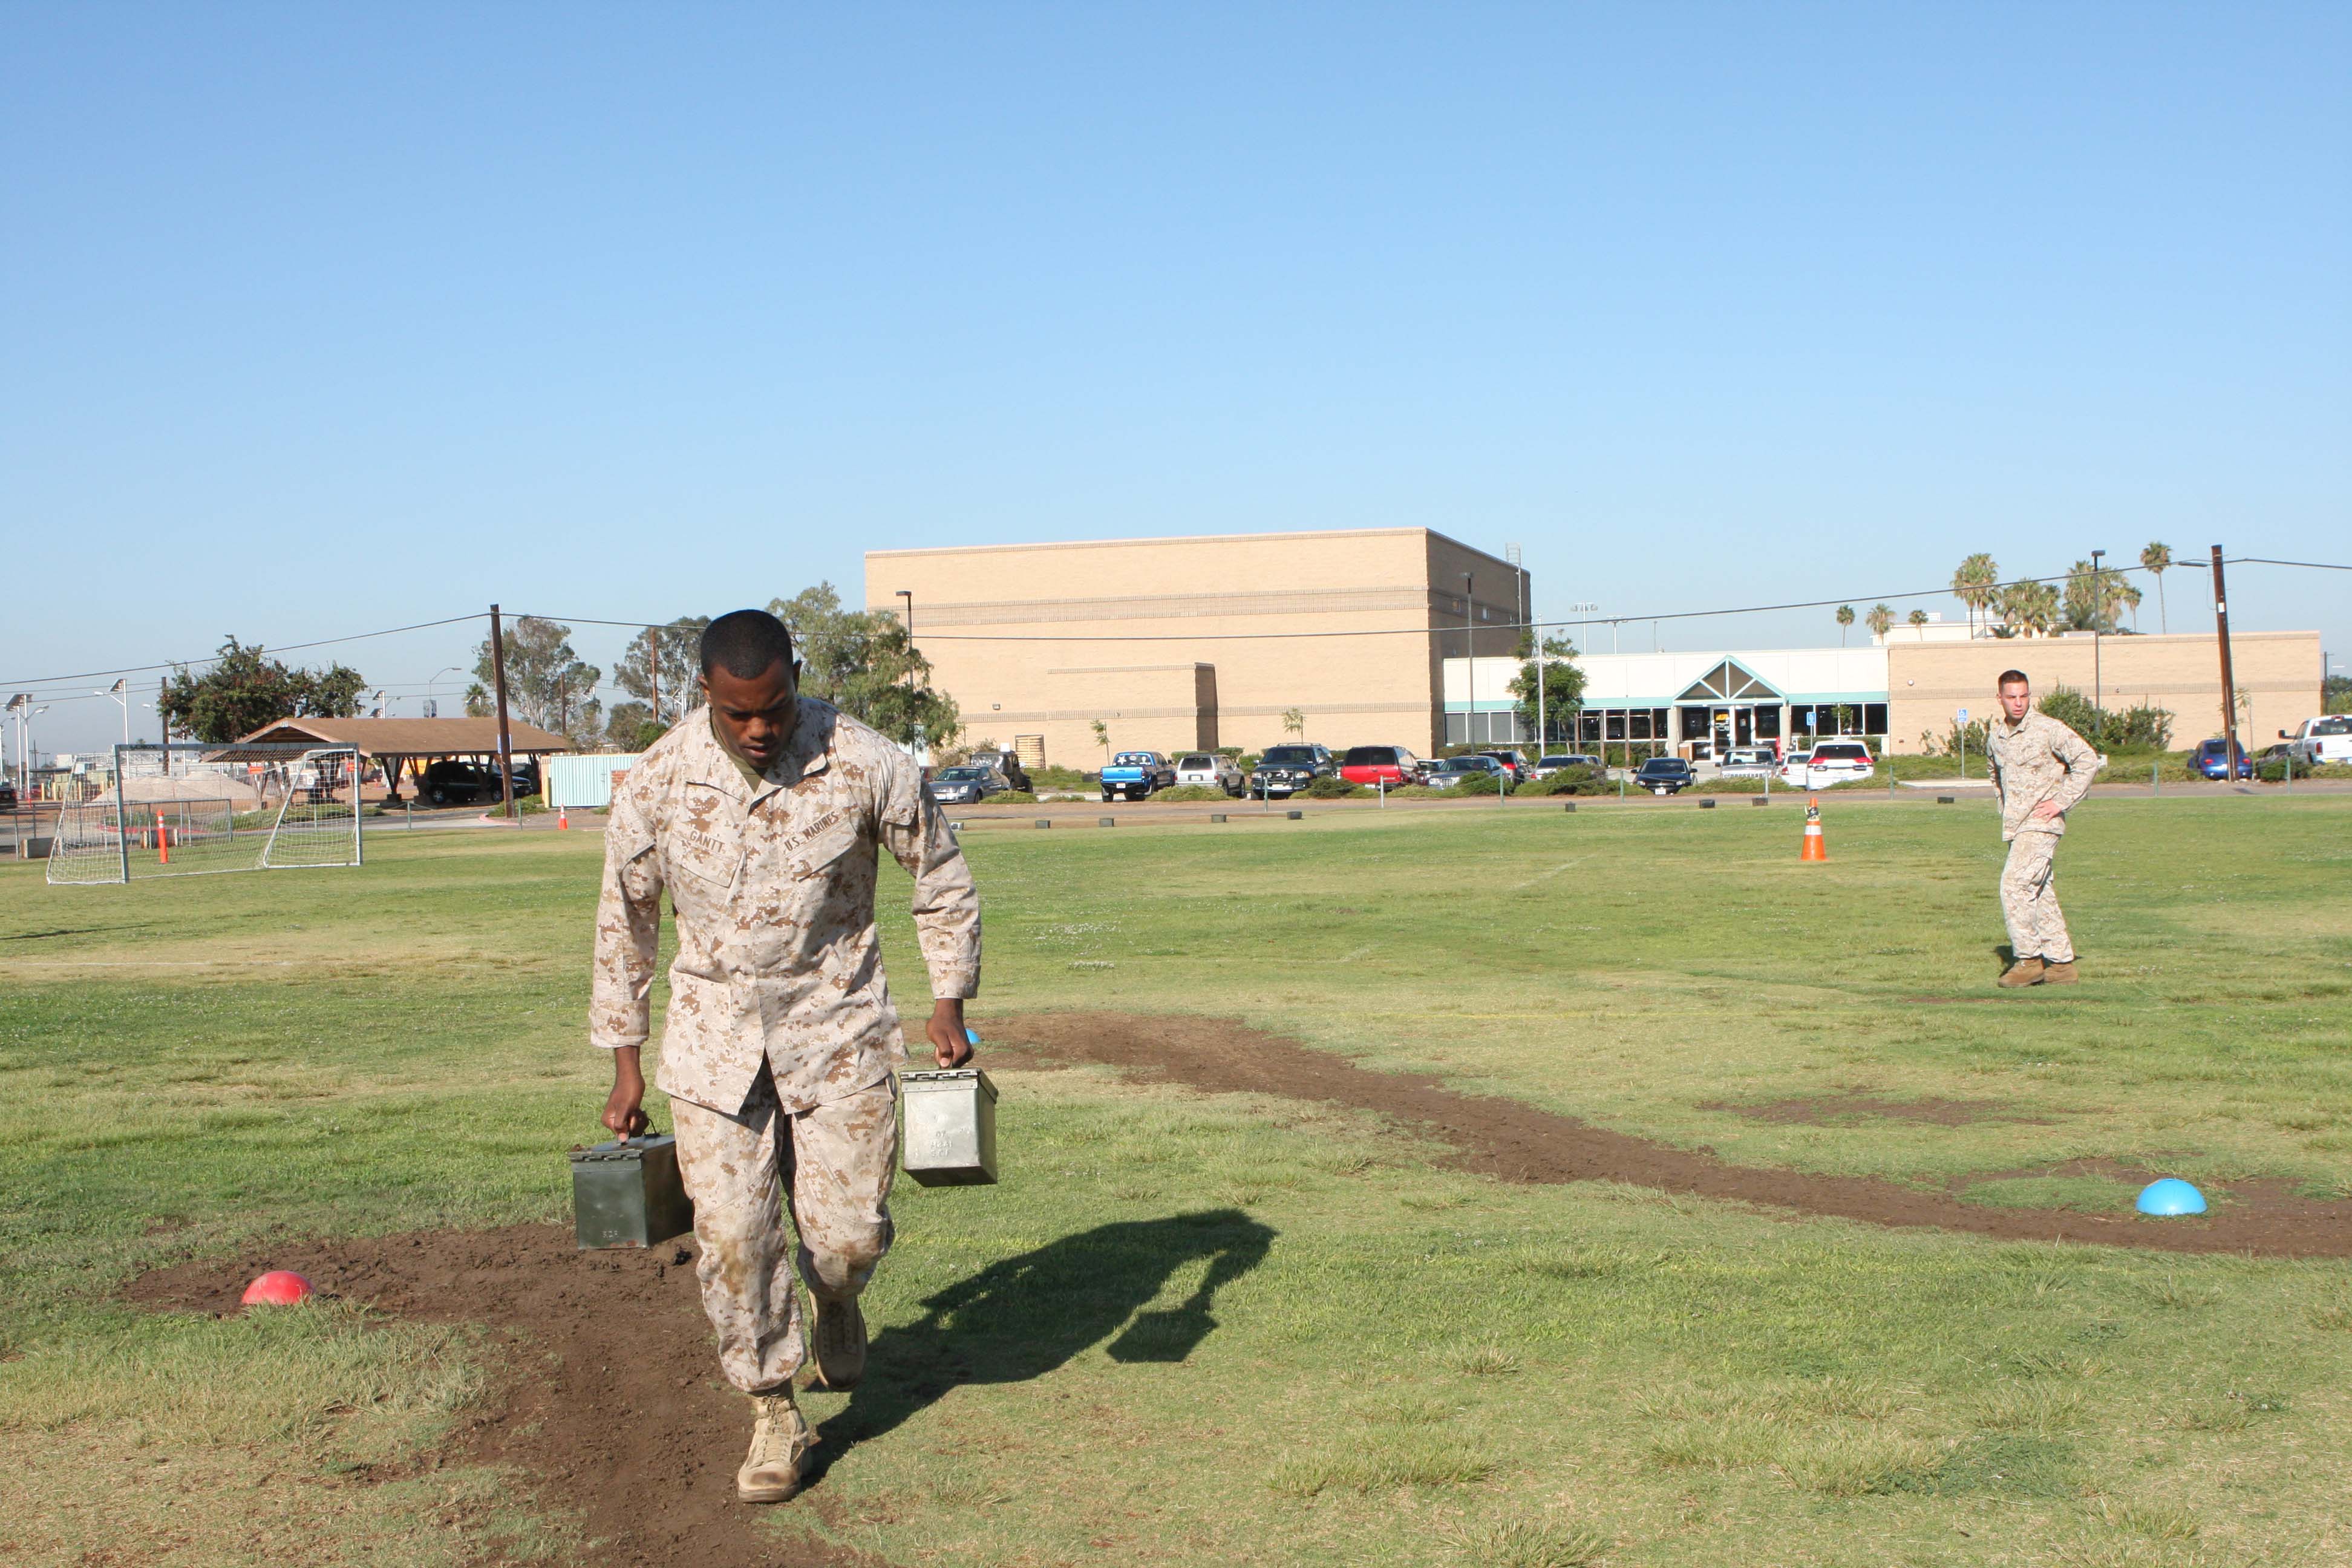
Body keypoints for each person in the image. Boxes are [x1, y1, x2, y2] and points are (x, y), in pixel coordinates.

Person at [590, 608, 981, 1504]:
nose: (760, 730)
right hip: (712, 1041)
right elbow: (626, 923)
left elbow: (941, 878)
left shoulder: (866, 760)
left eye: (773, 707)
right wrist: (624, 1059)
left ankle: (838, 1298)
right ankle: (772, 1407)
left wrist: (949, 999)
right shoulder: (656, 781)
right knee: (731, 1237)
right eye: (738, 715)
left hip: (838, 1027)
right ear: (707, 696)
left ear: (794, 677)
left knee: (845, 1239)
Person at [1984, 668, 2099, 987]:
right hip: (2016, 826)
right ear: (2000, 699)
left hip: (2042, 823)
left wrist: (2061, 802)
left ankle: (2029, 960)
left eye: (2023, 696)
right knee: (2040, 892)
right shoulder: (1996, 736)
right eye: (2011, 697)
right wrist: (2005, 810)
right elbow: (1995, 775)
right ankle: (2062, 966)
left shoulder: (2049, 729)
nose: (2018, 703)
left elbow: (2087, 760)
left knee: (2014, 886)